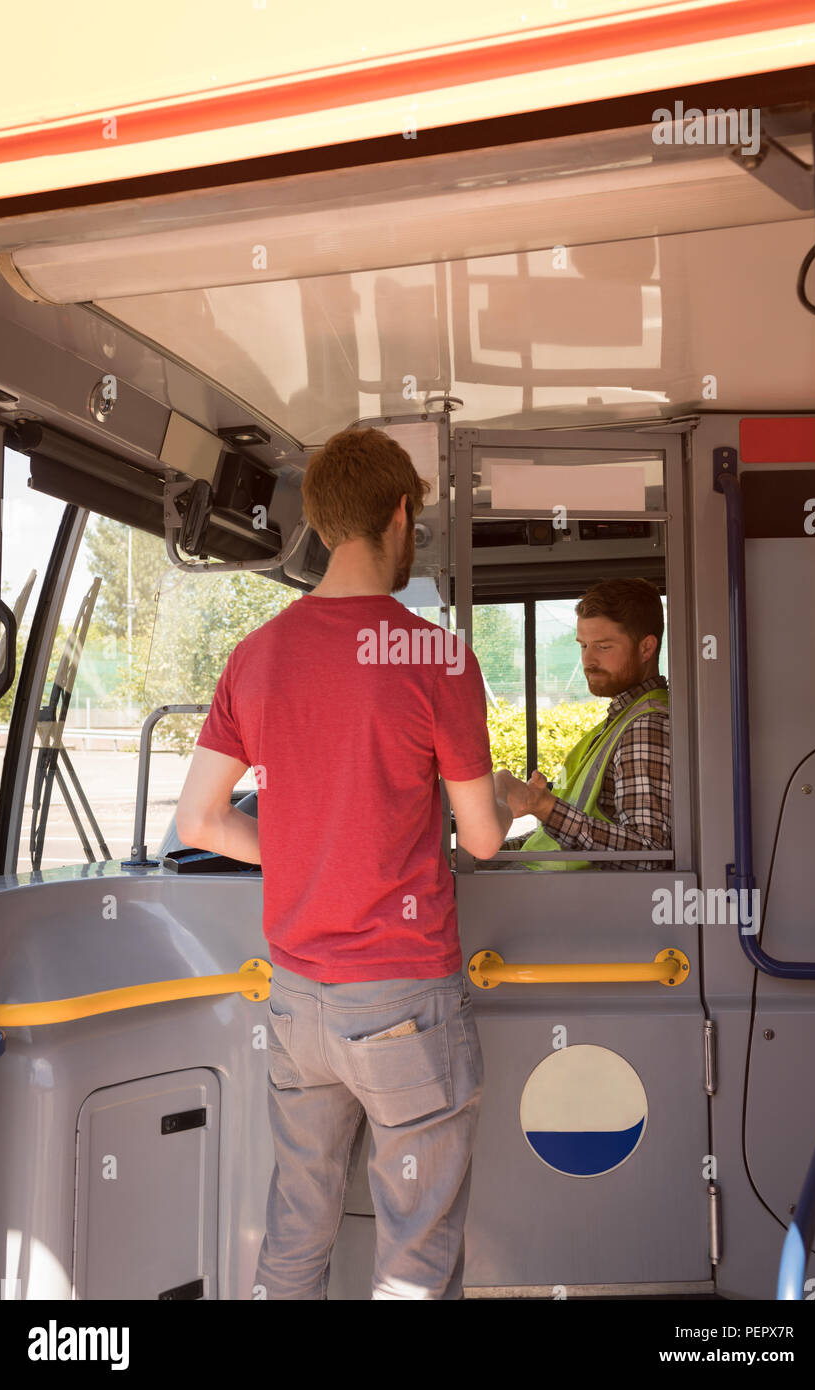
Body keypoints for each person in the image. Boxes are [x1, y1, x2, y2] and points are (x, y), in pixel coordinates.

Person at [175, 426, 513, 1300]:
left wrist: (295, 857)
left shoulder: (254, 658)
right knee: (416, 1249)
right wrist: (512, 797)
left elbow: (200, 819)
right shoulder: (434, 656)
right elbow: (480, 838)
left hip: (298, 1003)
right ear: (401, 516)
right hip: (403, 999)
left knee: (297, 1227)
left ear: (322, 525)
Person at [494, 578, 670, 871]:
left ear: (646, 648)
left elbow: (648, 855)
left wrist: (543, 806)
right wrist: (493, 854)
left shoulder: (645, 727)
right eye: (583, 645)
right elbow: (552, 841)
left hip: (574, 909)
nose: (587, 660)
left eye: (603, 647)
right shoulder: (618, 723)